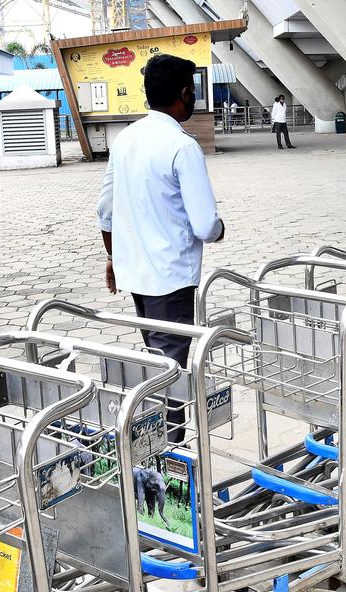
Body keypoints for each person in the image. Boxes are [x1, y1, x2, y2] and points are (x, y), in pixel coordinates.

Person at [96, 53, 225, 375]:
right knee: (171, 373)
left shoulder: (126, 138)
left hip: (136, 275)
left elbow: (105, 211)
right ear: (184, 93)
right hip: (170, 279)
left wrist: (113, 257)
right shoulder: (182, 146)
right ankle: (169, 426)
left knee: (158, 363)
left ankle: (155, 422)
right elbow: (205, 225)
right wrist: (219, 229)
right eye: (192, 91)